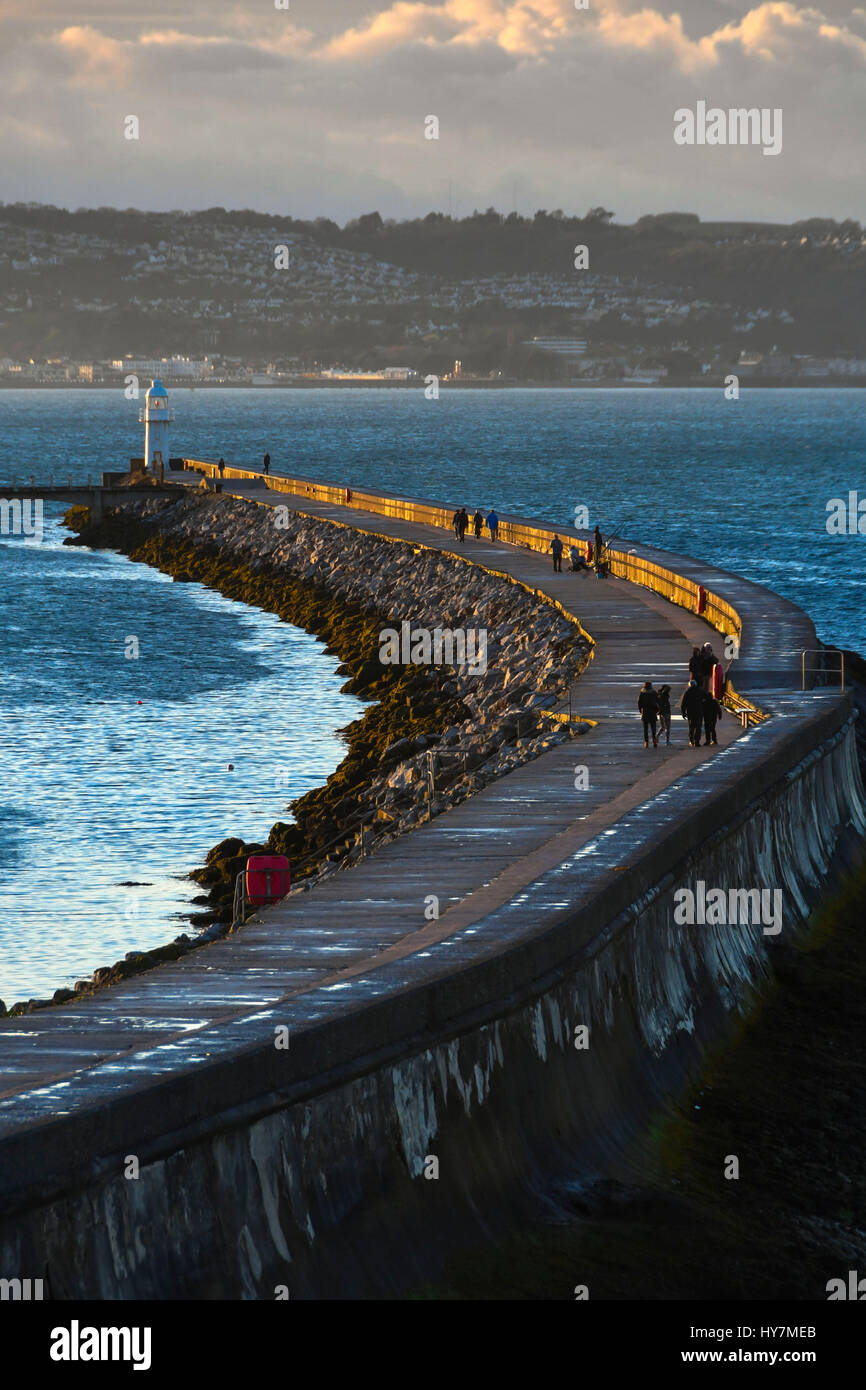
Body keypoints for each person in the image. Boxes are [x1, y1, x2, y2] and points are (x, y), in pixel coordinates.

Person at [681, 679, 705, 748]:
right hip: (699, 711)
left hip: (690, 712)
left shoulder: (687, 692)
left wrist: (683, 713)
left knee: (691, 727)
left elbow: (683, 704)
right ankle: (697, 741)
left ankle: (691, 741)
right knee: (698, 727)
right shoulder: (701, 691)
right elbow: (707, 698)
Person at [638, 681, 660, 748]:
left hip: (645, 713)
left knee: (645, 729)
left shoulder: (642, 693)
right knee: (653, 729)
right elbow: (658, 701)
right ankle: (654, 741)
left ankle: (646, 742)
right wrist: (657, 710)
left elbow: (639, 703)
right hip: (652, 712)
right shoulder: (654, 693)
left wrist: (640, 711)